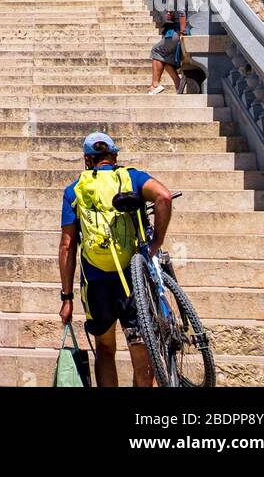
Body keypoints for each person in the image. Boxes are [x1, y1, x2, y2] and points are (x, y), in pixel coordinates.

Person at [58, 132, 174, 388]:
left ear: (87, 160)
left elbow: (68, 245)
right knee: (140, 349)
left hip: (97, 280)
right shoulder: (132, 178)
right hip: (134, 277)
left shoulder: (75, 190)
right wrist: (157, 243)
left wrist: (66, 298)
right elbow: (164, 197)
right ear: (114, 156)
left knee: (106, 349)